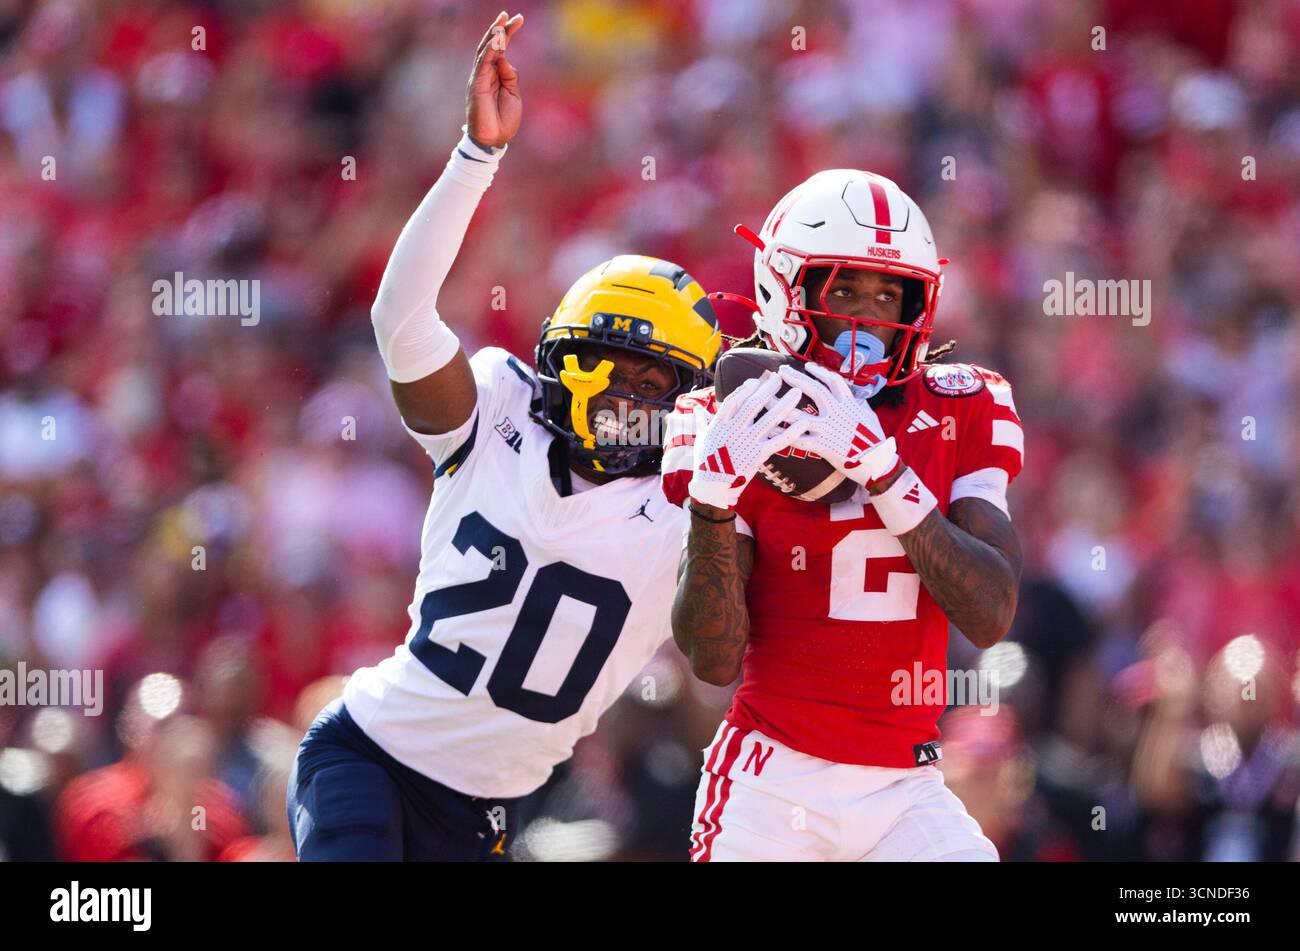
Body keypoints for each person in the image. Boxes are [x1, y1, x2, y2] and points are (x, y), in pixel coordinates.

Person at [287, 12, 721, 861]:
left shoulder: (691, 509)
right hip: (367, 754)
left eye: (653, 380)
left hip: (490, 813)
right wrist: (474, 158)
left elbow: (725, 650)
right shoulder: (497, 412)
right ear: (561, 361)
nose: (629, 396)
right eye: (611, 366)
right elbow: (400, 317)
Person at [663, 169, 1024, 861]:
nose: (870, 315)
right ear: (785, 289)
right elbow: (713, 658)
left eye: (891, 292)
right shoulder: (727, 415)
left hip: (904, 788)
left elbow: (990, 610)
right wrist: (711, 504)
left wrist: (885, 473)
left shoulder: (961, 405)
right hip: (772, 781)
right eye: (846, 289)